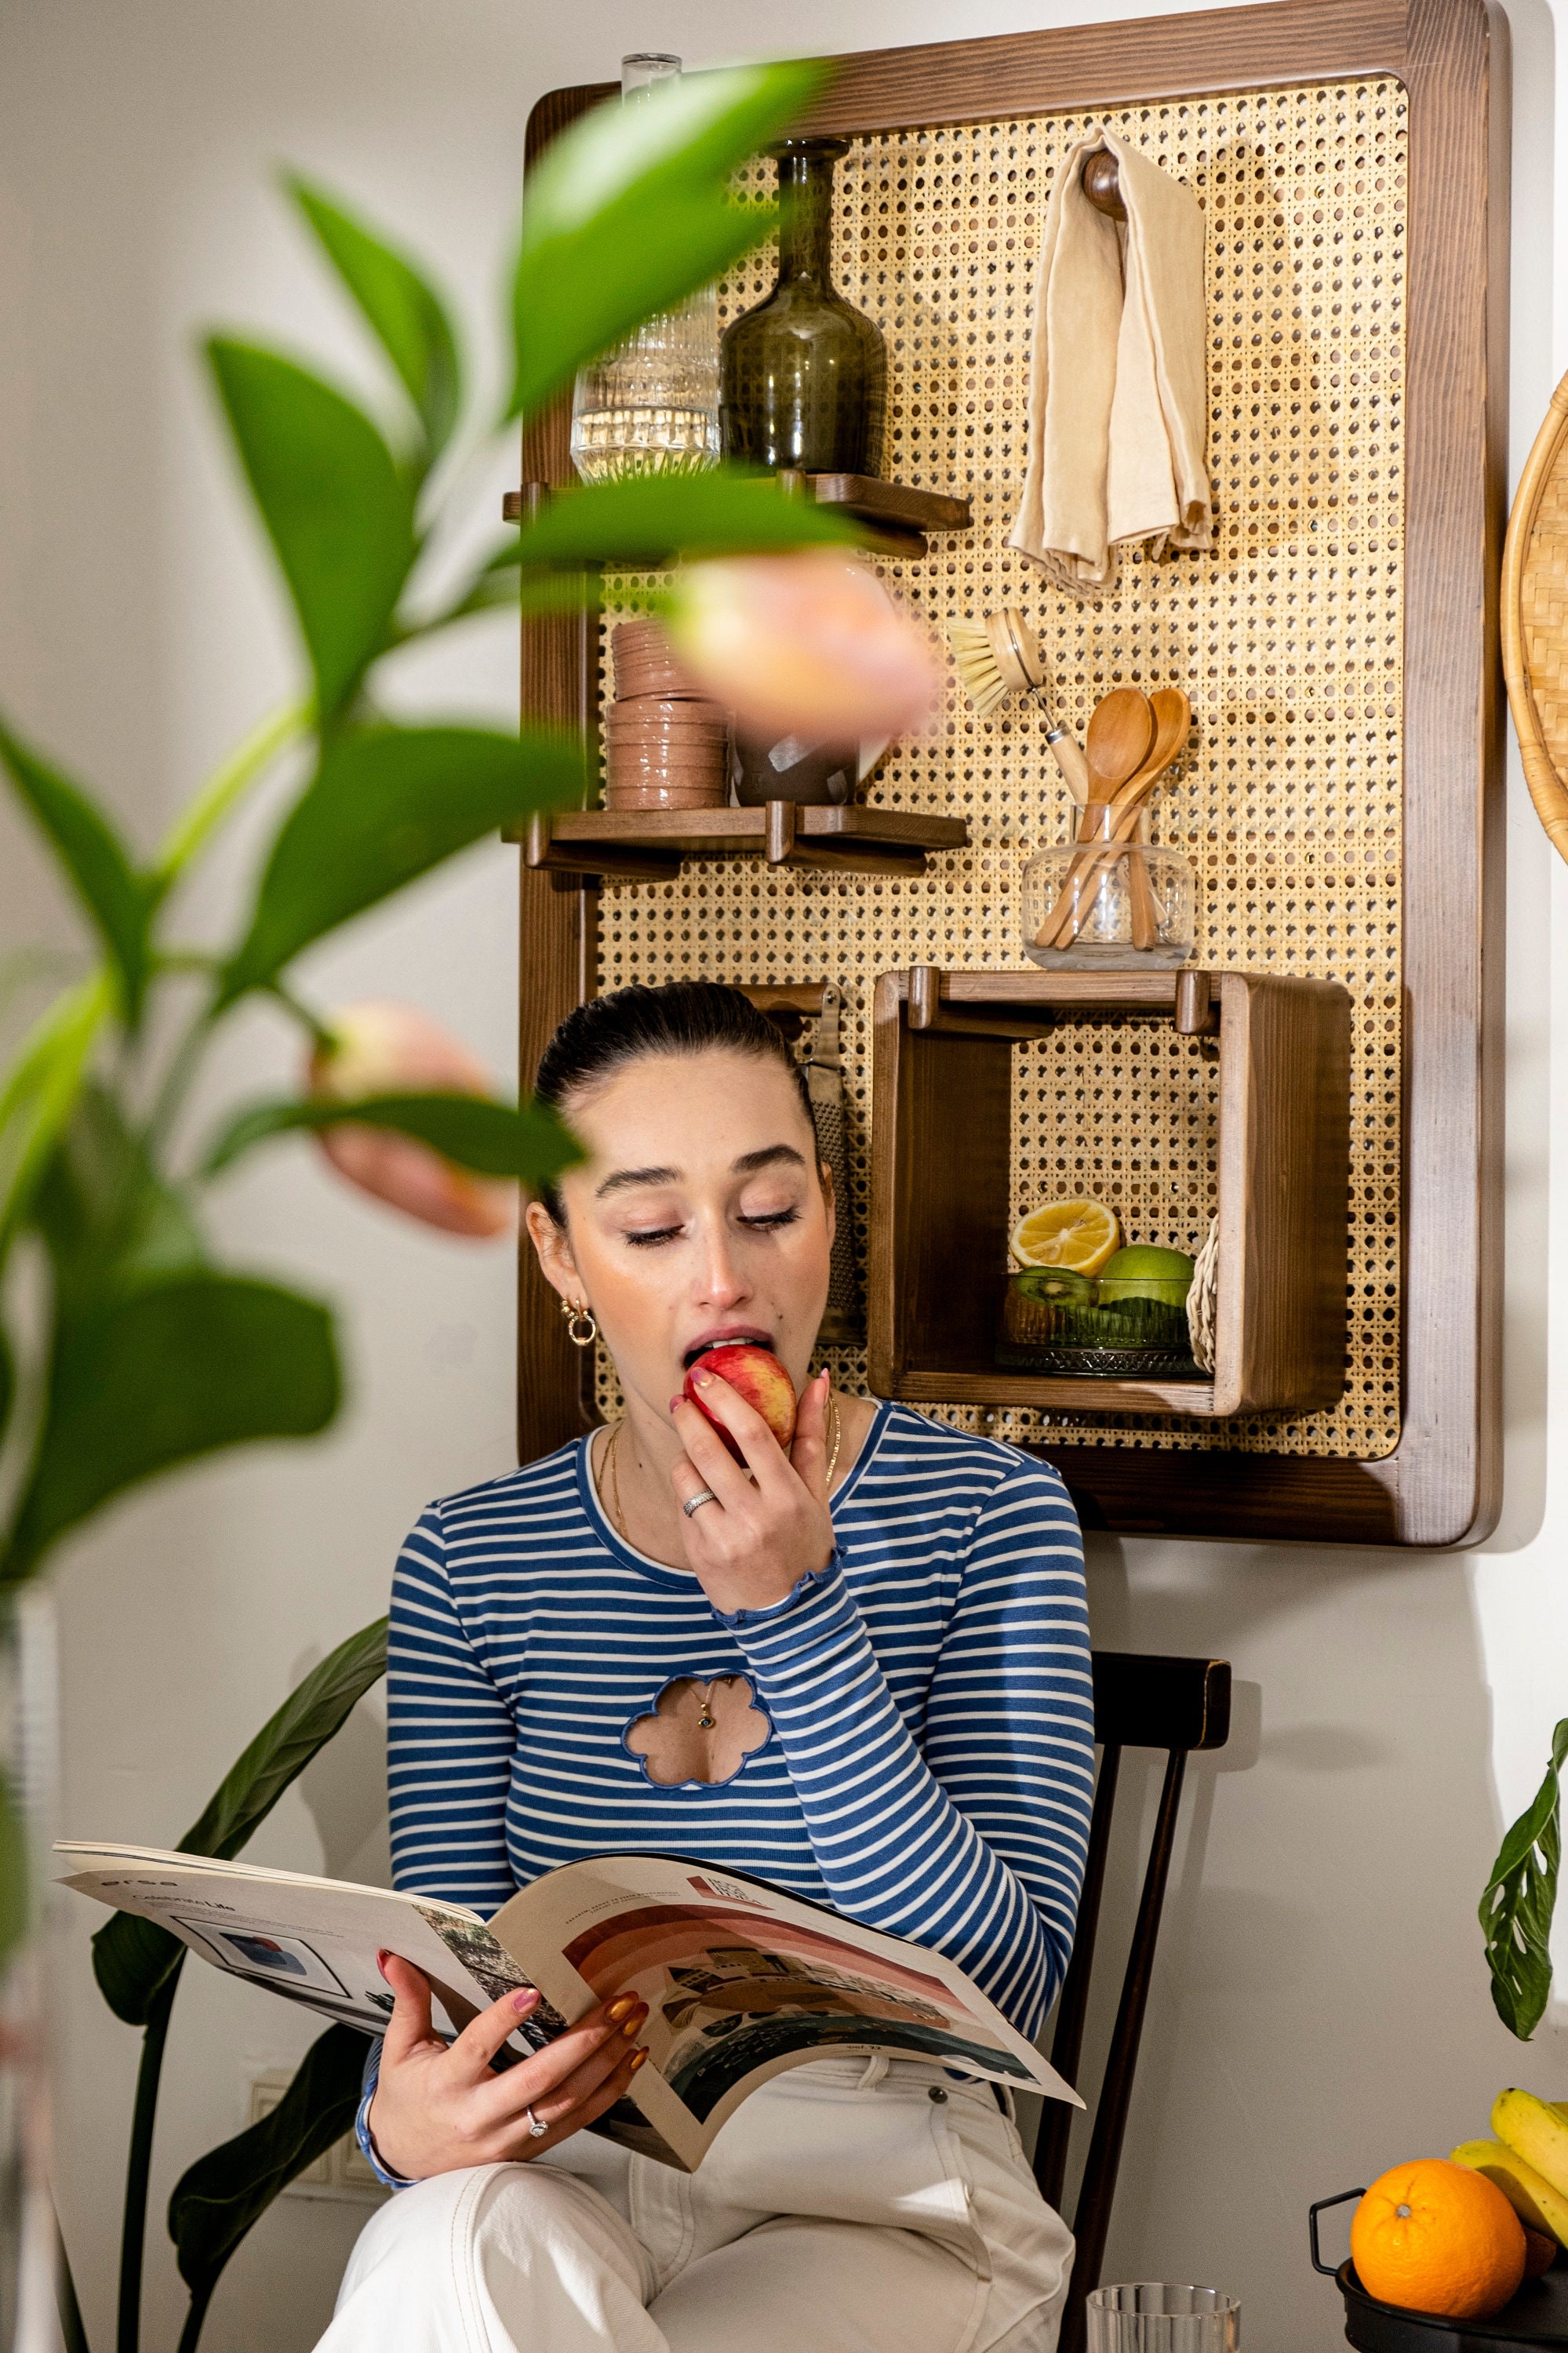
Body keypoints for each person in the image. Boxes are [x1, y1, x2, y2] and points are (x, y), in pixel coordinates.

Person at [318, 980, 1095, 2353]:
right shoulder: (469, 1558)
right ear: (561, 1256)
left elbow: (1011, 1990)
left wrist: (794, 1617)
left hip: (889, 2200)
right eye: (652, 1226)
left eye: (770, 1210)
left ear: (832, 1220)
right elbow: (437, 1988)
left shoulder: (990, 1515)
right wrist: (404, 2130)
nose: (723, 1276)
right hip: (569, 2177)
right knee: (440, 2250)